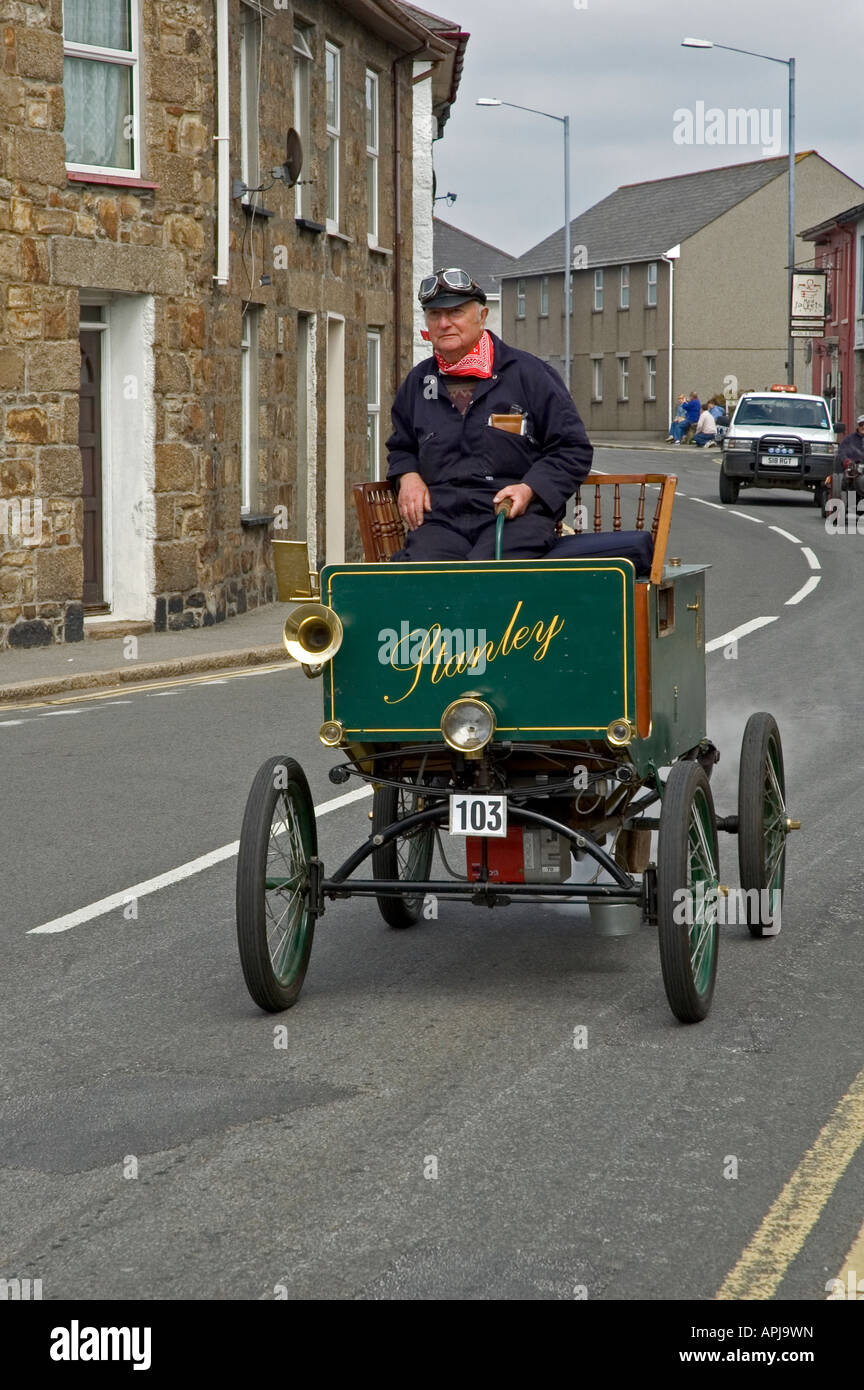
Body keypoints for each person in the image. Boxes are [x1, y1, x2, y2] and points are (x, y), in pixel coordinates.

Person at [386, 268, 593, 559]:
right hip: (442, 521)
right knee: (423, 577)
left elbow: (572, 449)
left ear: (482, 317)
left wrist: (529, 489)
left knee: (489, 573)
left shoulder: (529, 375)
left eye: (455, 312)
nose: (444, 323)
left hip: (513, 519)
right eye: (434, 314)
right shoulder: (418, 383)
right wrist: (407, 475)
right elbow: (402, 446)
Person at [835, 414, 864, 501]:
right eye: (861, 425)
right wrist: (847, 461)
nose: (863, 427)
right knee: (848, 479)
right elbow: (841, 452)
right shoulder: (849, 439)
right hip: (854, 467)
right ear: (858, 426)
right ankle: (851, 500)